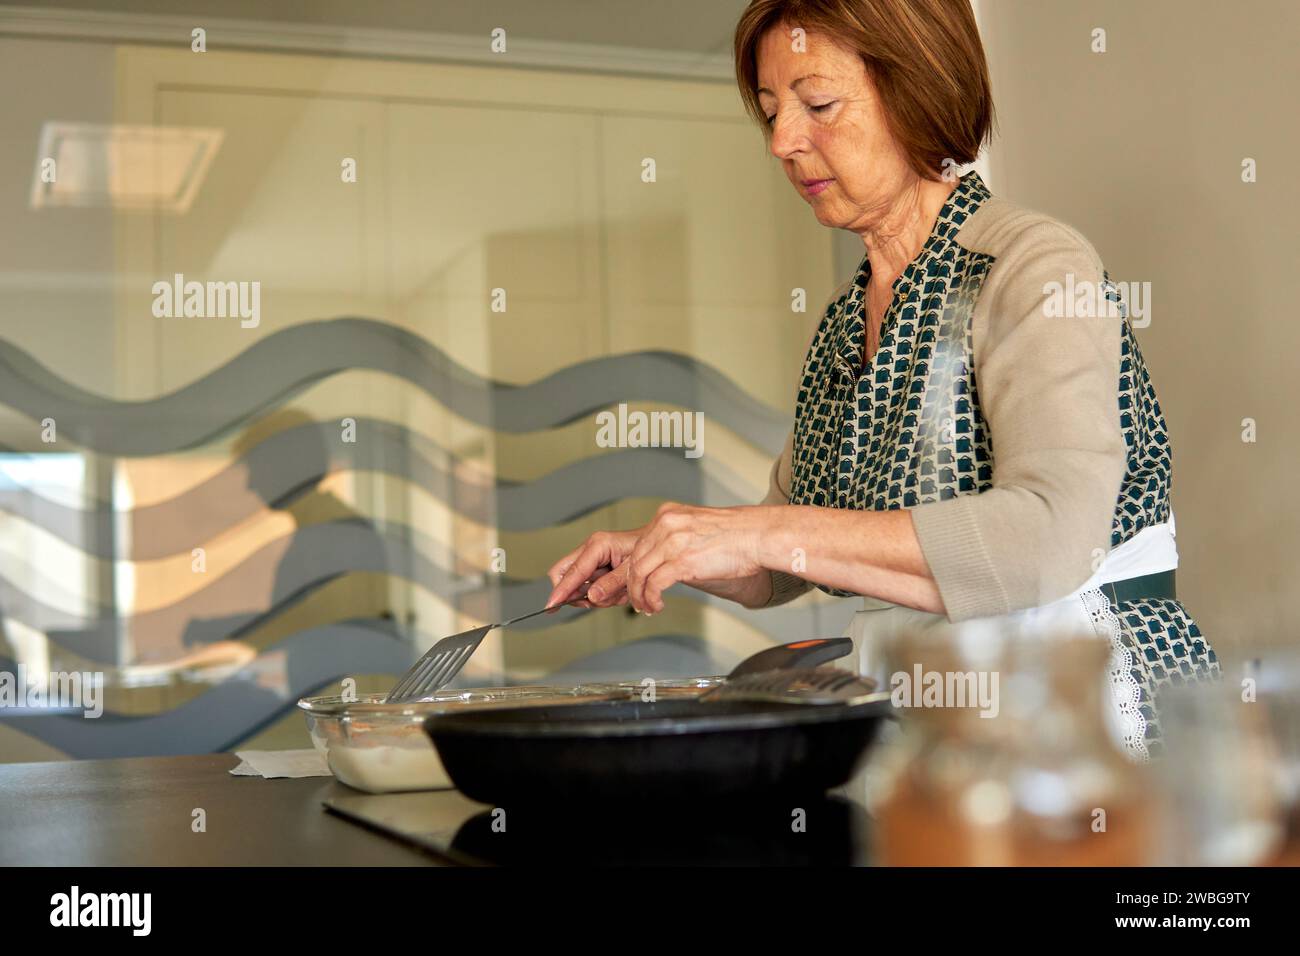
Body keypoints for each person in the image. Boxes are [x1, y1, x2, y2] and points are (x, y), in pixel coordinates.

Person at [546, 0, 1218, 758]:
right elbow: (791, 555)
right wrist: (680, 548)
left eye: (818, 104)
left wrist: (759, 531)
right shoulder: (844, 320)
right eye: (770, 112)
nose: (781, 141)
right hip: (935, 716)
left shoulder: (1031, 266)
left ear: (917, 88)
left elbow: (1047, 540)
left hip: (1079, 711)